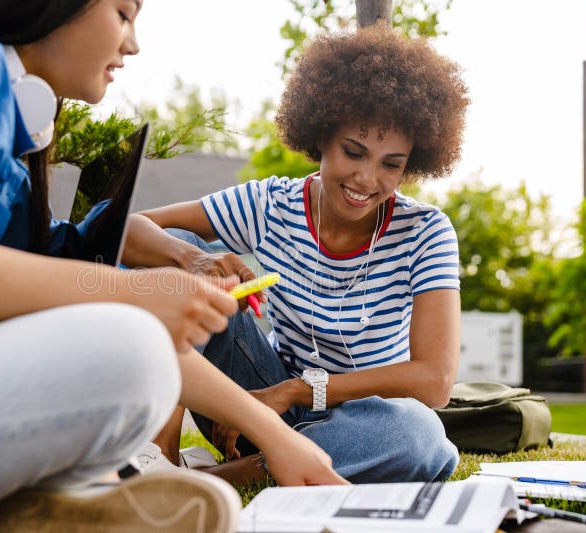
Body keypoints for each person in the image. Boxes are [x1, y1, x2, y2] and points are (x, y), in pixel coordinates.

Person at [0, 1, 346, 532]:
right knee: (132, 353)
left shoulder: (0, 154)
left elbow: (66, 281)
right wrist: (125, 292)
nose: (133, 43)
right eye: (123, 12)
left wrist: (276, 435)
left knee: (132, 344)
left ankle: (64, 501)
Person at [124, 24, 470, 485]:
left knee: (421, 436)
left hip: (358, 420)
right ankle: (160, 456)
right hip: (256, 400)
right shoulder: (271, 204)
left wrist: (298, 391)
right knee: (177, 255)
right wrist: (196, 263)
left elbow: (434, 380)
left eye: (392, 164)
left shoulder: (426, 232)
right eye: (354, 151)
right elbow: (127, 229)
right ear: (322, 135)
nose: (368, 179)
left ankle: (227, 478)